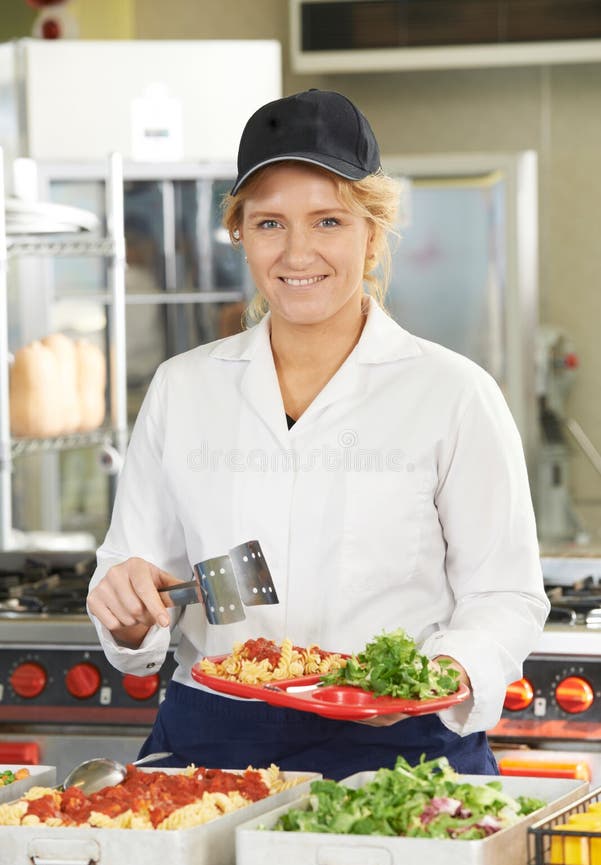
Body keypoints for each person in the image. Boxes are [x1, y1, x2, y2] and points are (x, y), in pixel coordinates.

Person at [87, 89, 549, 780]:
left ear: (373, 230)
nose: (297, 251)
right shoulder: (184, 390)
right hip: (215, 743)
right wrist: (125, 610)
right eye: (269, 223)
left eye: (327, 220)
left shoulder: (452, 393)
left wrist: (437, 676)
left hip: (398, 746)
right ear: (239, 231)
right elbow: (135, 580)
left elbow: (504, 595)